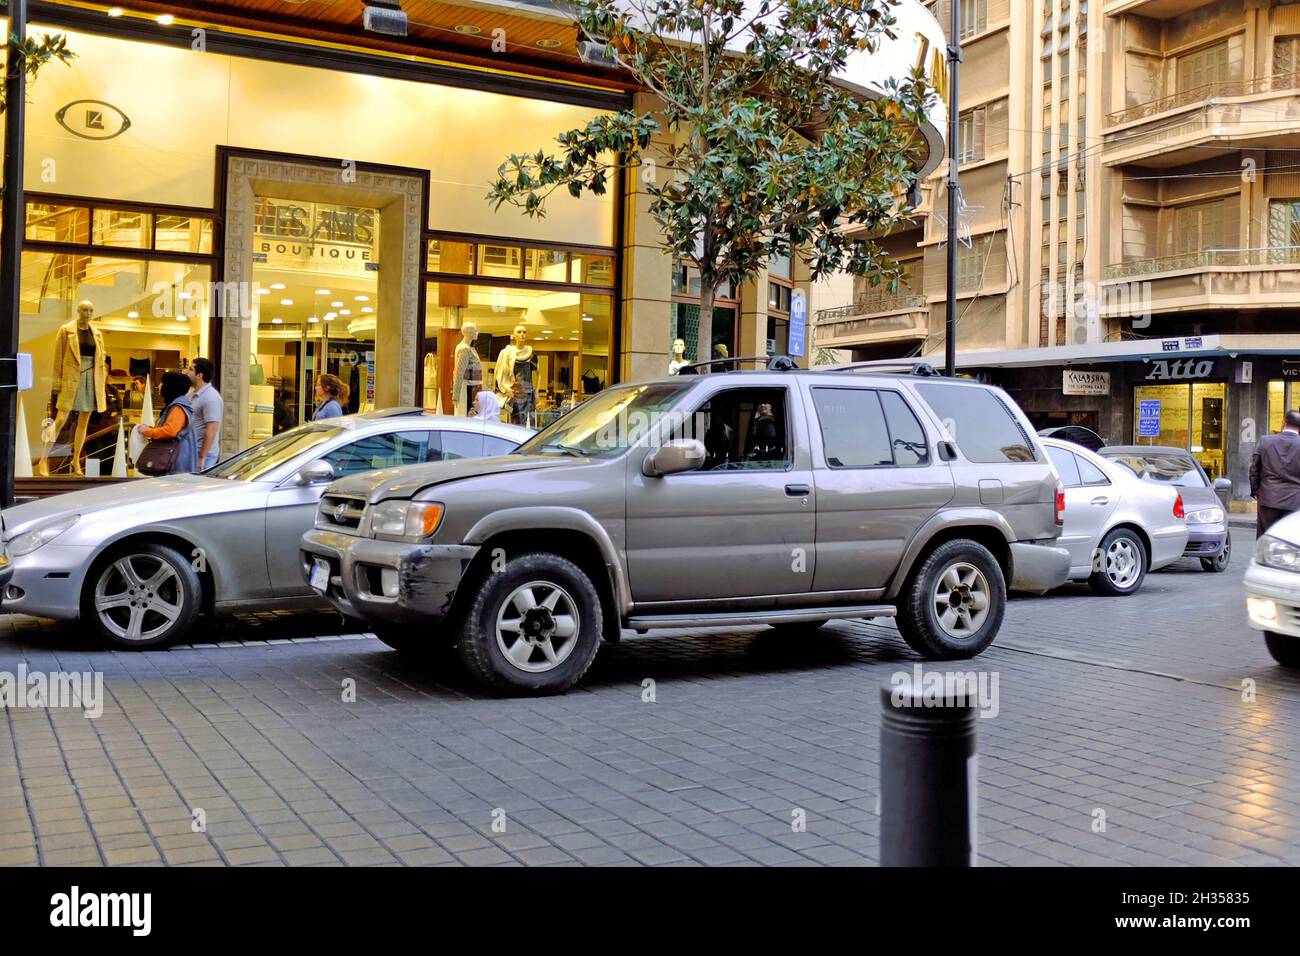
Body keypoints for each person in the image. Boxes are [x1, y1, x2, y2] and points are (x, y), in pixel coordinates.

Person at [1251, 408, 1300, 535]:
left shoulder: (1265, 441)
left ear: (1284, 423)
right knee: (1290, 539)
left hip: (1269, 497)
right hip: (1295, 501)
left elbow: (1254, 470)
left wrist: (1257, 492)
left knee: (1266, 538)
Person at [139, 371, 198, 475]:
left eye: (163, 383)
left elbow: (169, 431)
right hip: (176, 460)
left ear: (171, 386)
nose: (159, 386)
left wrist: (147, 431)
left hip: (176, 463)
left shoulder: (178, 408)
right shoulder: (178, 405)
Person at [187, 356, 223, 470]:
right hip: (192, 451)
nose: (186, 372)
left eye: (190, 369)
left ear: (199, 375)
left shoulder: (211, 397)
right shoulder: (192, 395)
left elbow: (211, 429)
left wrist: (202, 457)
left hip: (203, 454)